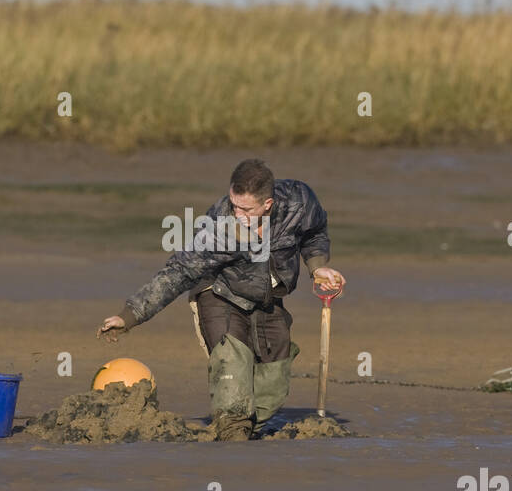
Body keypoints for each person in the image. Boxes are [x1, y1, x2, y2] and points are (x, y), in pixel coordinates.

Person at [98, 159, 345, 440]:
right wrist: (129, 316)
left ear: (268, 204)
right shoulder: (218, 227)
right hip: (219, 294)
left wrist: (318, 266)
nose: (237, 214)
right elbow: (177, 272)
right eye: (234, 204)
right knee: (233, 367)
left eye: (246, 209)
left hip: (267, 299)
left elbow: (315, 233)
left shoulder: (299, 202)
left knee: (272, 385)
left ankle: (248, 432)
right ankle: (231, 436)